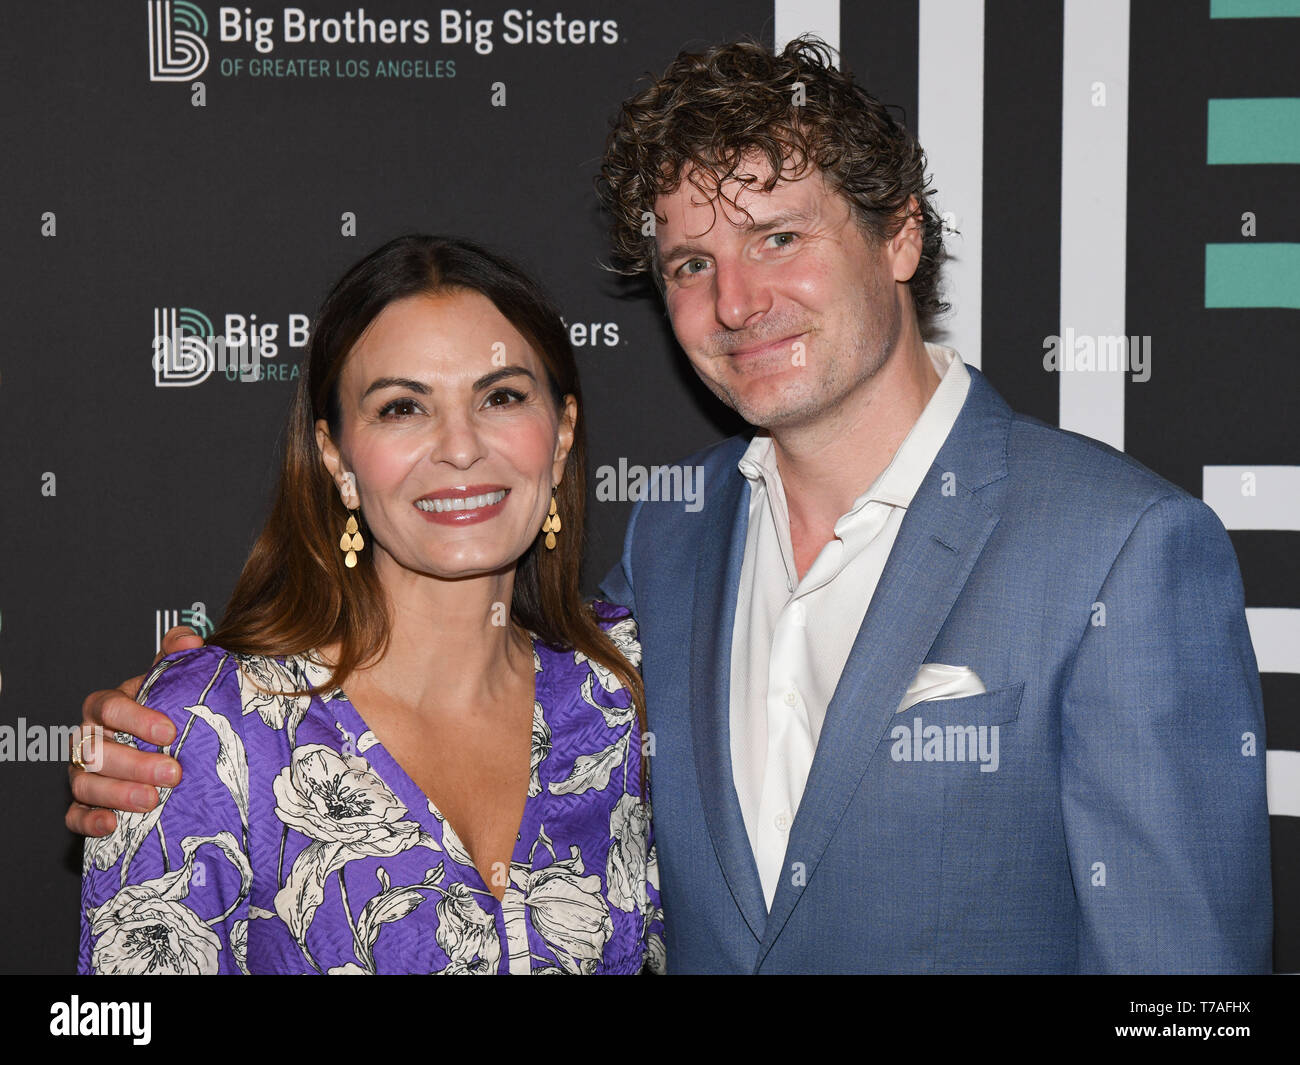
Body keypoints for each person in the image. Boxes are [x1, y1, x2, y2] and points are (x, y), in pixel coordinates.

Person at [70, 38, 1270, 974]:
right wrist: (183, 719)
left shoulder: (1119, 549)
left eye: (779, 236)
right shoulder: (675, 550)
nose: (736, 300)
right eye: (691, 263)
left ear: (900, 235)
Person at [75, 234, 663, 974]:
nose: (459, 446)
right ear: (336, 457)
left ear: (562, 432)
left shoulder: (626, 690)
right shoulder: (210, 733)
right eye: (402, 407)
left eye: (501, 396)